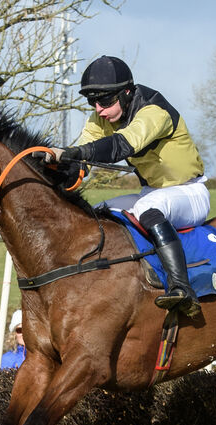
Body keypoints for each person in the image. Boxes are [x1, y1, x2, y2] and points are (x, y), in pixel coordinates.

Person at [61, 55, 208, 317]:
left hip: (190, 192)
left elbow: (121, 145)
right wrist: (56, 163)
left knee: (150, 207)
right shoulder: (101, 119)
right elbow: (81, 159)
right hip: (152, 193)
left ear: (127, 93)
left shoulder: (153, 112)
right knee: (95, 213)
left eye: (105, 101)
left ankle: (182, 288)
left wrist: (77, 153)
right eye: (92, 101)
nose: (98, 109)